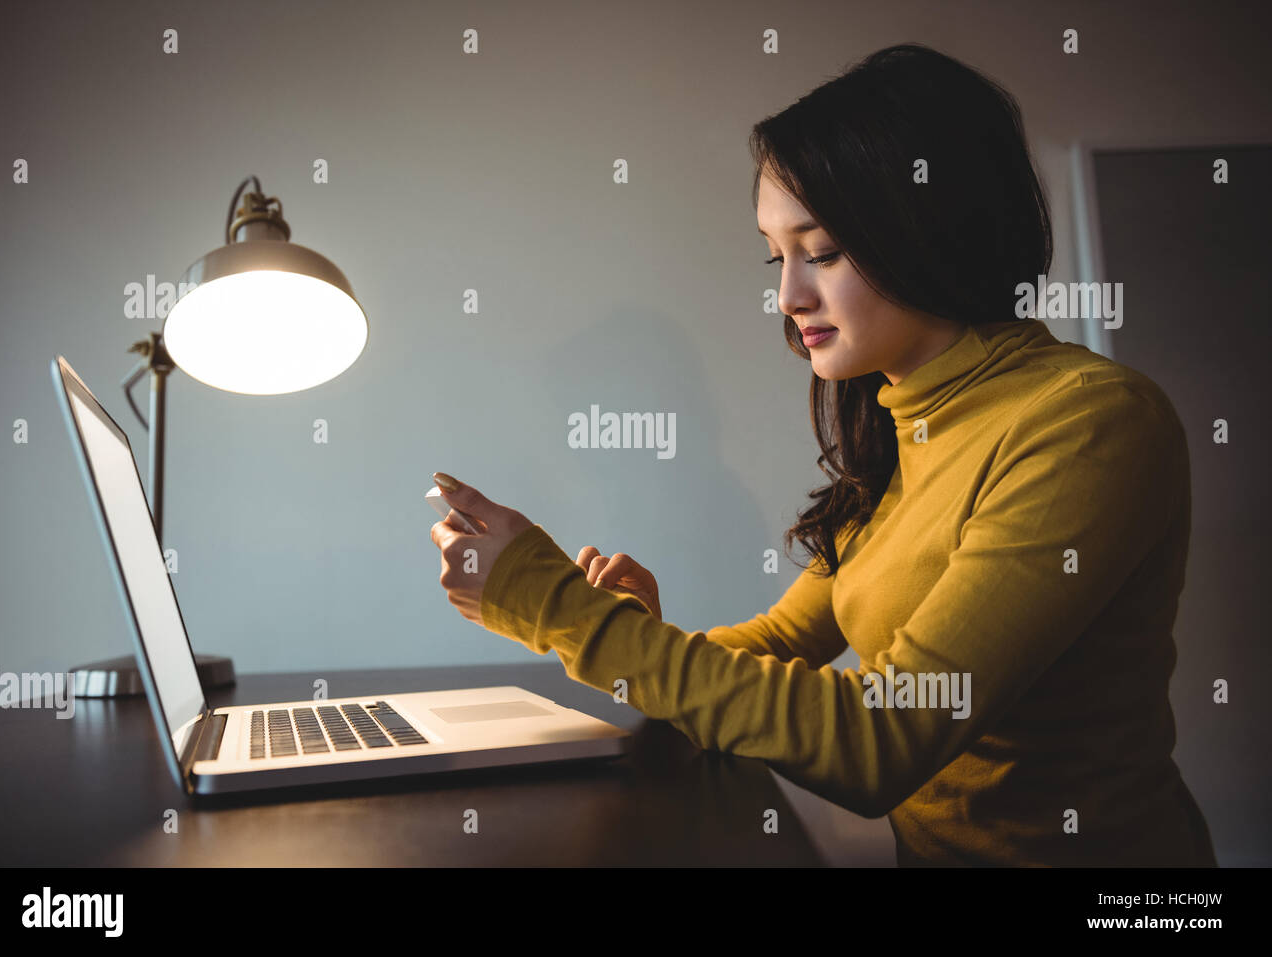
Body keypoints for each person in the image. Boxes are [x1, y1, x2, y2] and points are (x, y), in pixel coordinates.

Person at [428, 43, 1216, 867]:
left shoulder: (1090, 423)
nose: (788, 296)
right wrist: (627, 633)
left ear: (926, 226)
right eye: (778, 256)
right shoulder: (902, 424)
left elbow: (881, 738)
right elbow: (782, 638)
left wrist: (563, 611)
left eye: (824, 252)